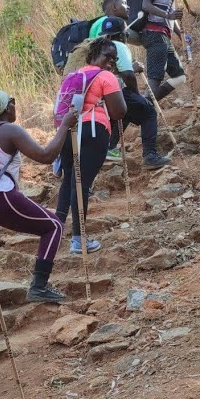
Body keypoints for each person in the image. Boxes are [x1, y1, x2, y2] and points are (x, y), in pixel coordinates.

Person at [0, 81, 79, 345]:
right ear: (4, 108)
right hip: (2, 198)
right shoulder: (8, 130)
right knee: (54, 225)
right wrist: (66, 125)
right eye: (12, 102)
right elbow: (46, 155)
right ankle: (39, 285)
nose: (15, 106)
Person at [56, 38, 127, 256]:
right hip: (93, 131)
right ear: (93, 55)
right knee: (81, 184)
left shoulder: (74, 76)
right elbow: (119, 111)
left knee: (69, 180)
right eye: (108, 56)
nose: (111, 61)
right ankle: (79, 239)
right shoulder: (106, 77)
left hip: (68, 131)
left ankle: (55, 231)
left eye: (114, 59)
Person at [88, 15, 169, 170]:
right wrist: (137, 96)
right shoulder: (119, 46)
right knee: (148, 112)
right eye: (125, 34)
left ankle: (109, 147)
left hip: (97, 95)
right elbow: (128, 75)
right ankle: (150, 155)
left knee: (124, 112)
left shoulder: (97, 48)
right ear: (121, 35)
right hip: (113, 90)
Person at [141, 0, 198, 101]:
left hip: (164, 36)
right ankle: (145, 108)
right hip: (154, 33)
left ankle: (147, 104)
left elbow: (171, 14)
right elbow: (146, 4)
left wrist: (181, 35)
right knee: (155, 78)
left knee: (180, 77)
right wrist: (168, 15)